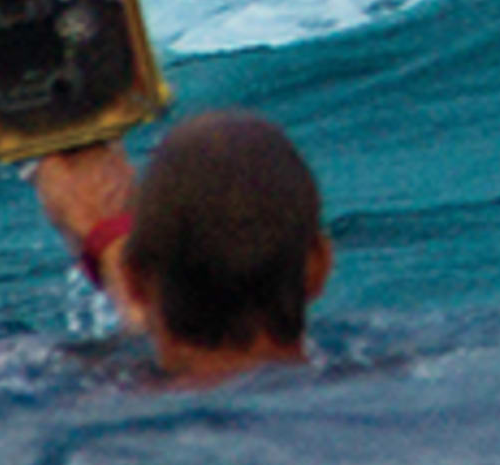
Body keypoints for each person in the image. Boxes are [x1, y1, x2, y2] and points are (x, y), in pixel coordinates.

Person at [29, 111, 332, 381]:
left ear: (134, 280)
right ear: (319, 266)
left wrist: (104, 238)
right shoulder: (368, 387)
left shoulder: (79, 399)